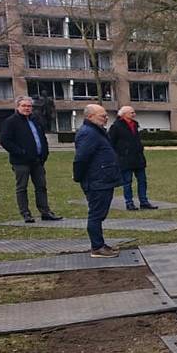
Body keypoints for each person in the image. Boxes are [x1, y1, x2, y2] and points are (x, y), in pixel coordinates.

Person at [0, 96, 62, 223]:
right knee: (22, 187)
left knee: (41, 186)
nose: (27, 108)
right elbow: (5, 141)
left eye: (29, 106)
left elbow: (41, 138)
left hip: (37, 161)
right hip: (21, 162)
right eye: (24, 106)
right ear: (18, 107)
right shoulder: (10, 122)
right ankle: (26, 213)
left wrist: (45, 153)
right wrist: (21, 152)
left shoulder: (35, 120)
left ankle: (45, 211)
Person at [73, 104, 121, 258]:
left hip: (103, 178)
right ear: (90, 117)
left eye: (106, 115)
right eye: (102, 116)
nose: (106, 118)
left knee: (99, 214)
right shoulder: (89, 133)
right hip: (96, 180)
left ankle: (100, 244)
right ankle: (97, 247)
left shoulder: (97, 132)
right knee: (96, 214)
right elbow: (81, 158)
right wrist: (79, 177)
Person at [107, 105, 156, 210]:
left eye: (134, 112)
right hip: (125, 159)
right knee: (127, 182)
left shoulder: (135, 125)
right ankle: (129, 202)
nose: (134, 114)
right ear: (124, 114)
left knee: (142, 180)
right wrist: (118, 155)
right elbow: (111, 142)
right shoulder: (116, 126)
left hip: (138, 158)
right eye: (131, 112)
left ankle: (144, 201)